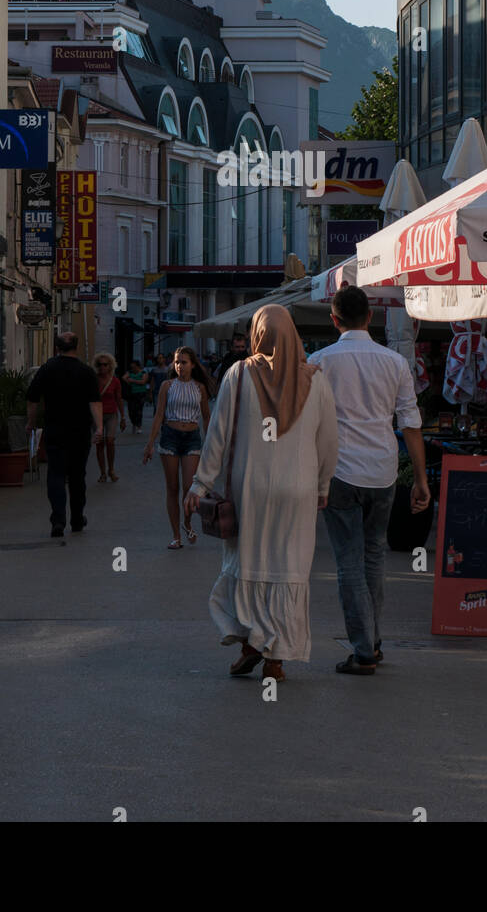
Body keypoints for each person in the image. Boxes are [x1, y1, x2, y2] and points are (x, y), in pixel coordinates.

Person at [185, 305, 338, 683]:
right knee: (288, 568)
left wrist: (200, 483)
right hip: (299, 489)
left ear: (257, 334)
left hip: (250, 487)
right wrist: (323, 485)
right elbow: (329, 441)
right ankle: (276, 658)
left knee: (250, 563)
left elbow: (218, 435)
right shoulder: (316, 380)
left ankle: (252, 642)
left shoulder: (239, 374)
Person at [309, 286, 430, 676]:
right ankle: (373, 642)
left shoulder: (319, 362)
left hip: (338, 471)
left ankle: (363, 649)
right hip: (382, 471)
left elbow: (307, 424)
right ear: (371, 318)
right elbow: (410, 422)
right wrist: (422, 479)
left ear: (334, 319)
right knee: (374, 557)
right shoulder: (394, 362)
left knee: (348, 562)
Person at [25, 333, 103, 538]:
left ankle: (58, 520)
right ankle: (77, 518)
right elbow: (95, 402)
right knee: (78, 476)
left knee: (56, 475)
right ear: (76, 347)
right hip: (79, 432)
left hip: (55, 429)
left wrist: (31, 422)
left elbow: (32, 398)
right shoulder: (86, 371)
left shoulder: (47, 368)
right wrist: (100, 428)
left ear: (57, 348)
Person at [144, 347, 213, 548]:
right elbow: (159, 415)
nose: (179, 366)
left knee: (188, 489)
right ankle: (176, 536)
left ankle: (187, 523)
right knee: (172, 488)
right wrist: (150, 443)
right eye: (176, 362)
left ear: (192, 364)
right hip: (170, 437)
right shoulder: (167, 385)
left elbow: (207, 415)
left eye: (183, 362)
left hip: (192, 437)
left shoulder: (200, 387)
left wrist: (209, 440)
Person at [93, 352, 125, 482]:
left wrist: (123, 417)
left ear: (110, 366)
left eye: (105, 364)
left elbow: (119, 399)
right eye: (99, 364)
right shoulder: (93, 380)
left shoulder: (115, 381)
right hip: (96, 415)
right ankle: (102, 473)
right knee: (99, 444)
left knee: (110, 441)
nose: (102, 367)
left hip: (111, 414)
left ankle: (111, 469)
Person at [123, 359, 150, 433]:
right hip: (131, 394)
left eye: (134, 367)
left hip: (141, 393)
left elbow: (143, 381)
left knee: (139, 411)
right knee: (131, 410)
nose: (133, 369)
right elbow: (124, 377)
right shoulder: (130, 372)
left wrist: (133, 381)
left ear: (138, 366)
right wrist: (129, 381)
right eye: (132, 367)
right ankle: (134, 423)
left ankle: (139, 426)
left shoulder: (143, 372)